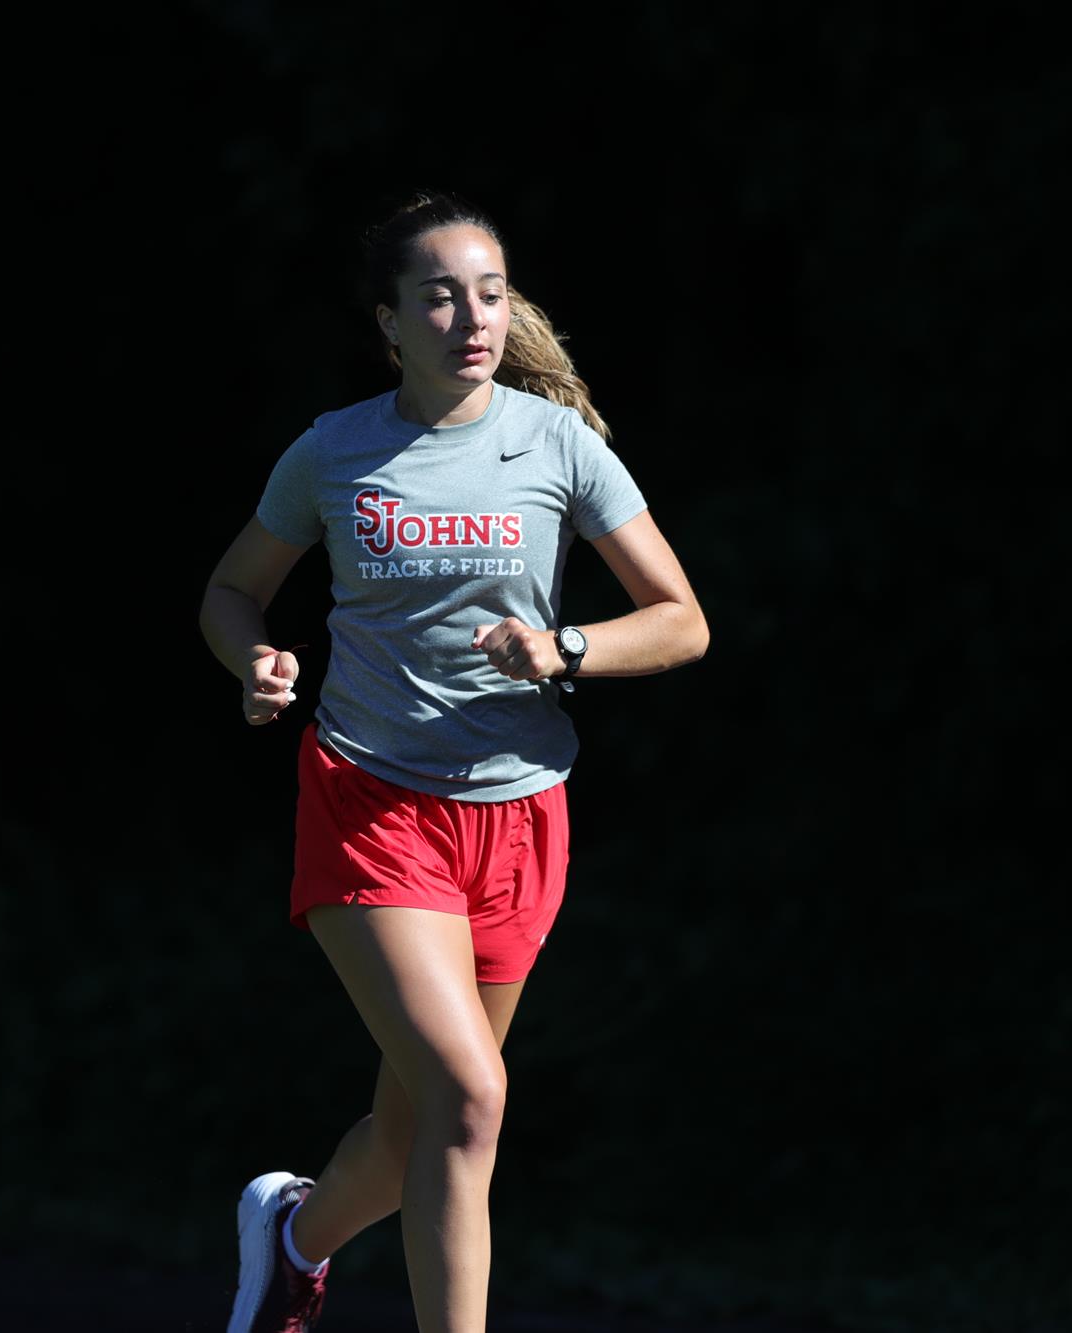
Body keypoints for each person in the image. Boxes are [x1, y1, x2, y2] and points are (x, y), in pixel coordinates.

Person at [200, 189, 709, 1333]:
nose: (469, 317)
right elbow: (230, 590)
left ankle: (290, 1236)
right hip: (370, 799)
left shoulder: (557, 444)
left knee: (415, 1123)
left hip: (519, 817)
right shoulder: (334, 452)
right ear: (387, 322)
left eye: (487, 292)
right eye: (436, 295)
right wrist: (254, 660)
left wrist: (563, 646)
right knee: (471, 1096)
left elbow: (680, 619)